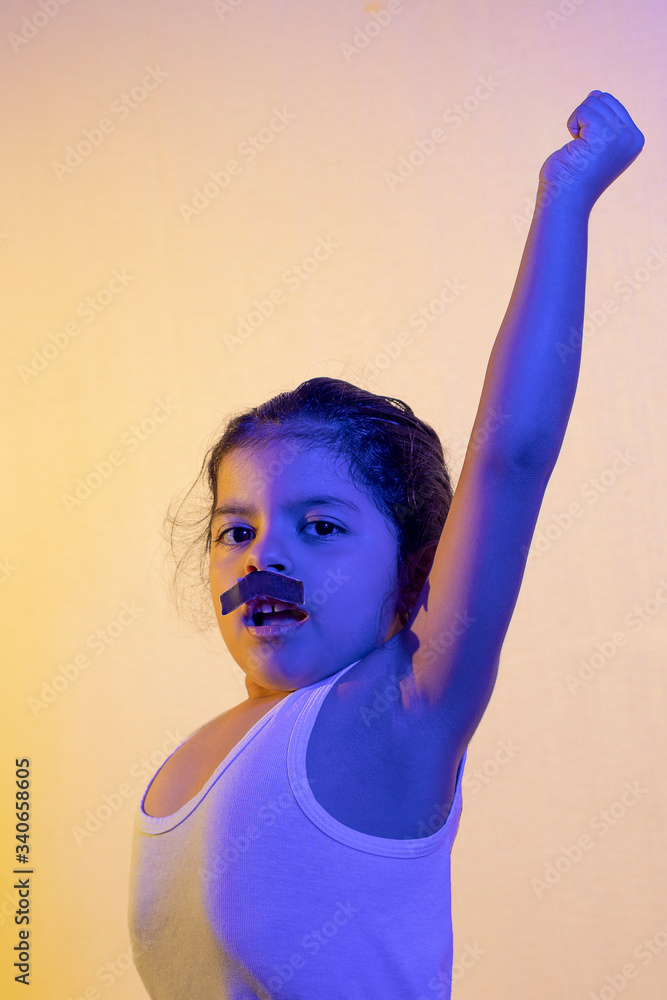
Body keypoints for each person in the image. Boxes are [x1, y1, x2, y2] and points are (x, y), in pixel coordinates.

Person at [127, 91, 644, 998]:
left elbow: (511, 457)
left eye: (319, 527)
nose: (261, 560)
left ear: (415, 563)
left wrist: (564, 200)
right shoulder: (192, 760)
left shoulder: (405, 708)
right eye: (234, 531)